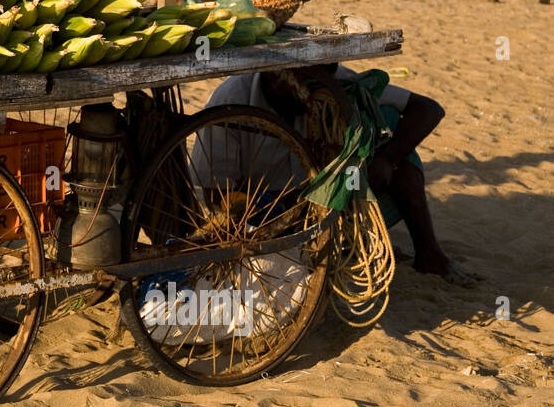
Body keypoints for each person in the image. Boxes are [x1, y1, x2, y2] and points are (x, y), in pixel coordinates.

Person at [199, 65, 478, 286]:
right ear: (276, 75)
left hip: (333, 195)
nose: (312, 95)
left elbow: (429, 109)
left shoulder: (335, 84)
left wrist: (387, 159)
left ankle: (429, 253)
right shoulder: (231, 98)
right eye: (303, 85)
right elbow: (214, 192)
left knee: (393, 135)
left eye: (320, 82)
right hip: (263, 208)